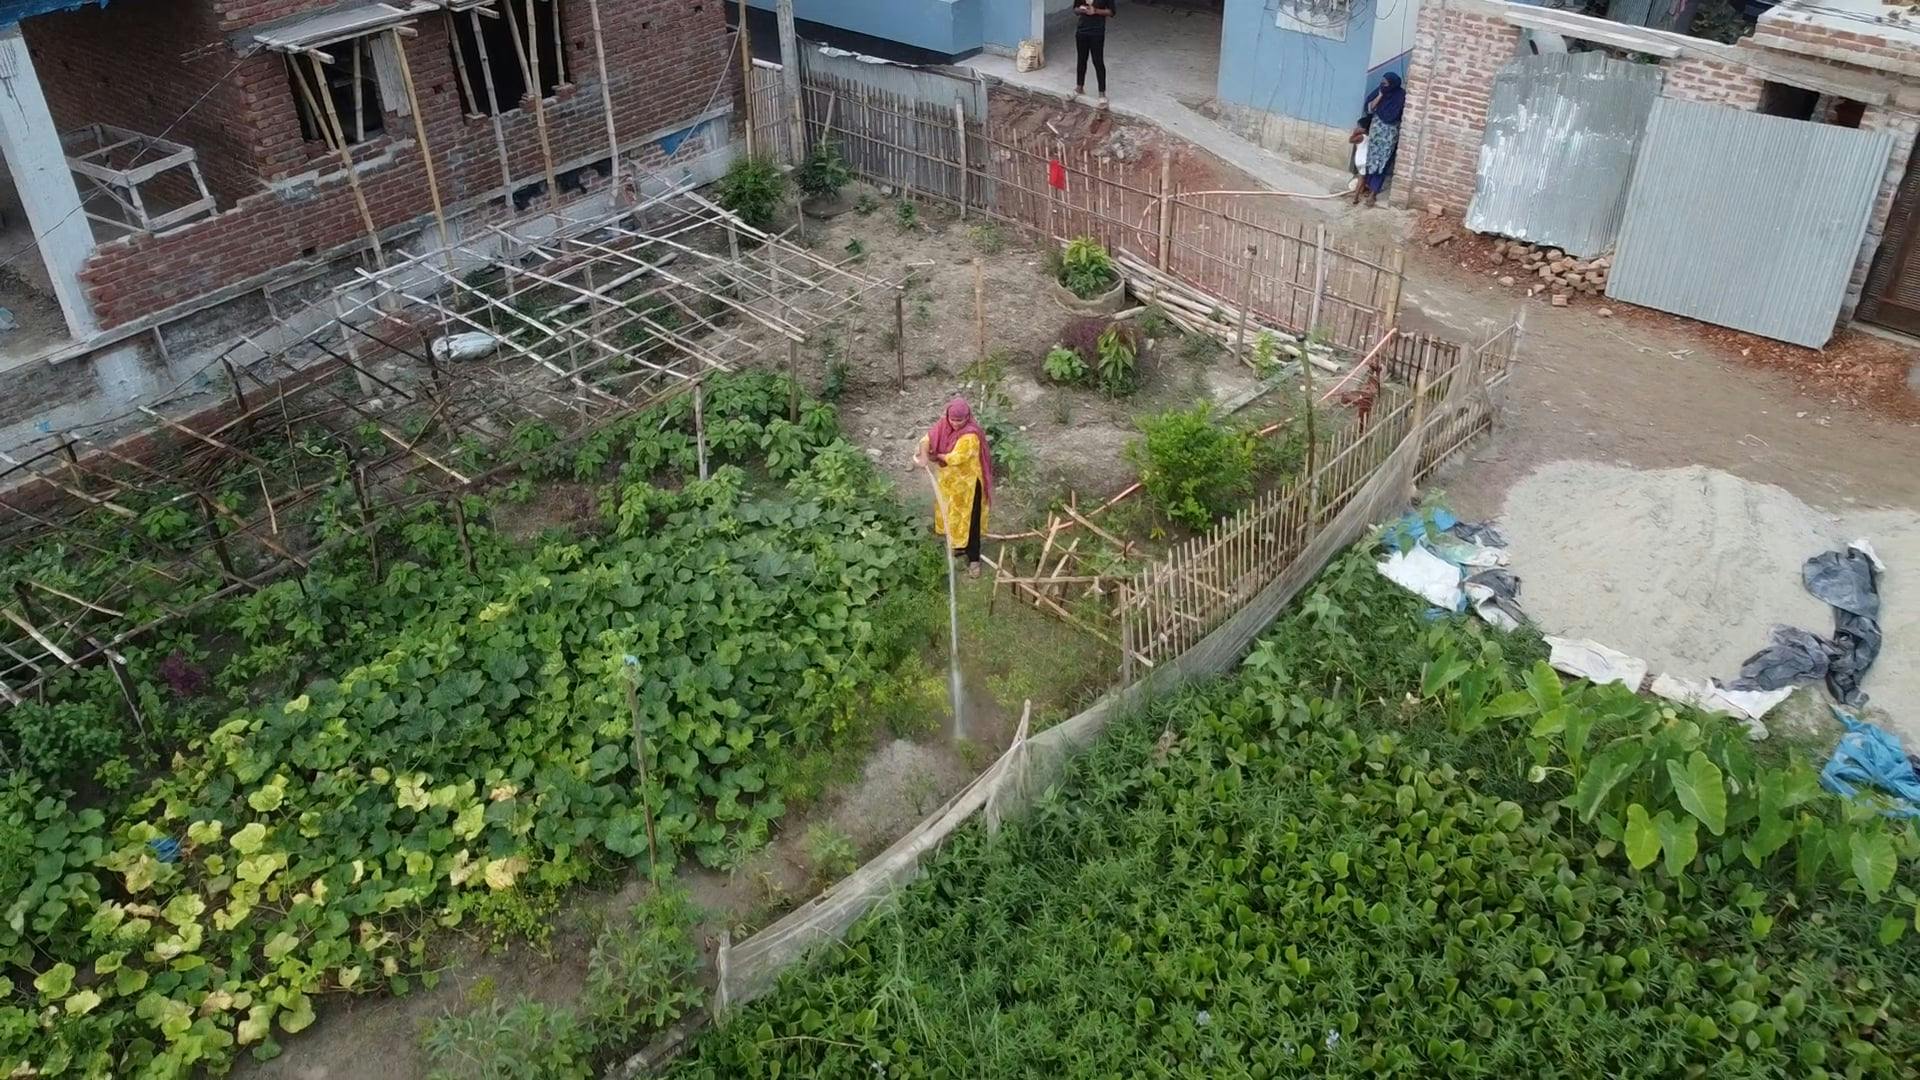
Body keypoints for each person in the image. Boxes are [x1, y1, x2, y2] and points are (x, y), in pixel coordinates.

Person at [914, 398, 994, 577]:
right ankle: (959, 547)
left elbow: (956, 458)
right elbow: (926, 440)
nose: (955, 424)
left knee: (970, 521)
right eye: (953, 420)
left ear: (967, 418)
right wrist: (925, 455)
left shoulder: (971, 435)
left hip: (969, 486)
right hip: (950, 485)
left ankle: (974, 559)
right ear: (948, 416)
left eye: (960, 420)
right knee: (952, 515)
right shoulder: (943, 425)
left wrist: (936, 456)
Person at [1359, 71, 1406, 207]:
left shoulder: (1400, 96)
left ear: (1393, 84)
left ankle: (1374, 193)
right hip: (1376, 131)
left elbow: (1397, 114)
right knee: (1371, 158)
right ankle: (1365, 186)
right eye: (1382, 83)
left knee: (1383, 161)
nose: (1383, 85)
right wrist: (1380, 95)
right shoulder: (1380, 91)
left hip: (1390, 134)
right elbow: (1370, 108)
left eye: (1386, 83)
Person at [1073, 0, 1115, 109]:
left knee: (1098, 61)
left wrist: (1095, 11)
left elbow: (1111, 12)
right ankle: (1079, 87)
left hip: (1097, 32)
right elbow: (1075, 9)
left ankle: (1102, 94)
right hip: (1082, 31)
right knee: (1081, 60)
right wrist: (1082, 10)